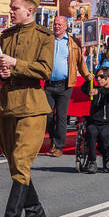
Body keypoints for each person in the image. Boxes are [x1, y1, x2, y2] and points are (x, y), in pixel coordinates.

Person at [0, 0, 55, 217]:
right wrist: (1, 73)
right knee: (14, 164)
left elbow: (44, 70)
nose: (11, 11)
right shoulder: (5, 37)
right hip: (6, 106)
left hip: (31, 106)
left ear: (30, 10)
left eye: (15, 8)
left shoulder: (44, 37)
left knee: (20, 160)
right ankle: (35, 209)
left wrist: (16, 65)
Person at [42, 16, 91, 158]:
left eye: (59, 24)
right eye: (55, 24)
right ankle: (52, 139)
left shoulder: (73, 43)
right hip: (49, 84)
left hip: (65, 85)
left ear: (65, 26)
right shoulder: (47, 40)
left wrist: (87, 75)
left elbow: (80, 62)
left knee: (62, 117)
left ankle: (58, 146)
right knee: (48, 115)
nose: (56, 26)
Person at [80, 66, 109, 173]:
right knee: (90, 132)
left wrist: (99, 91)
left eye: (101, 76)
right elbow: (84, 89)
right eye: (97, 77)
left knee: (104, 135)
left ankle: (106, 157)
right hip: (94, 122)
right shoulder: (94, 89)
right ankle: (92, 161)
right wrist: (88, 81)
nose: (98, 79)